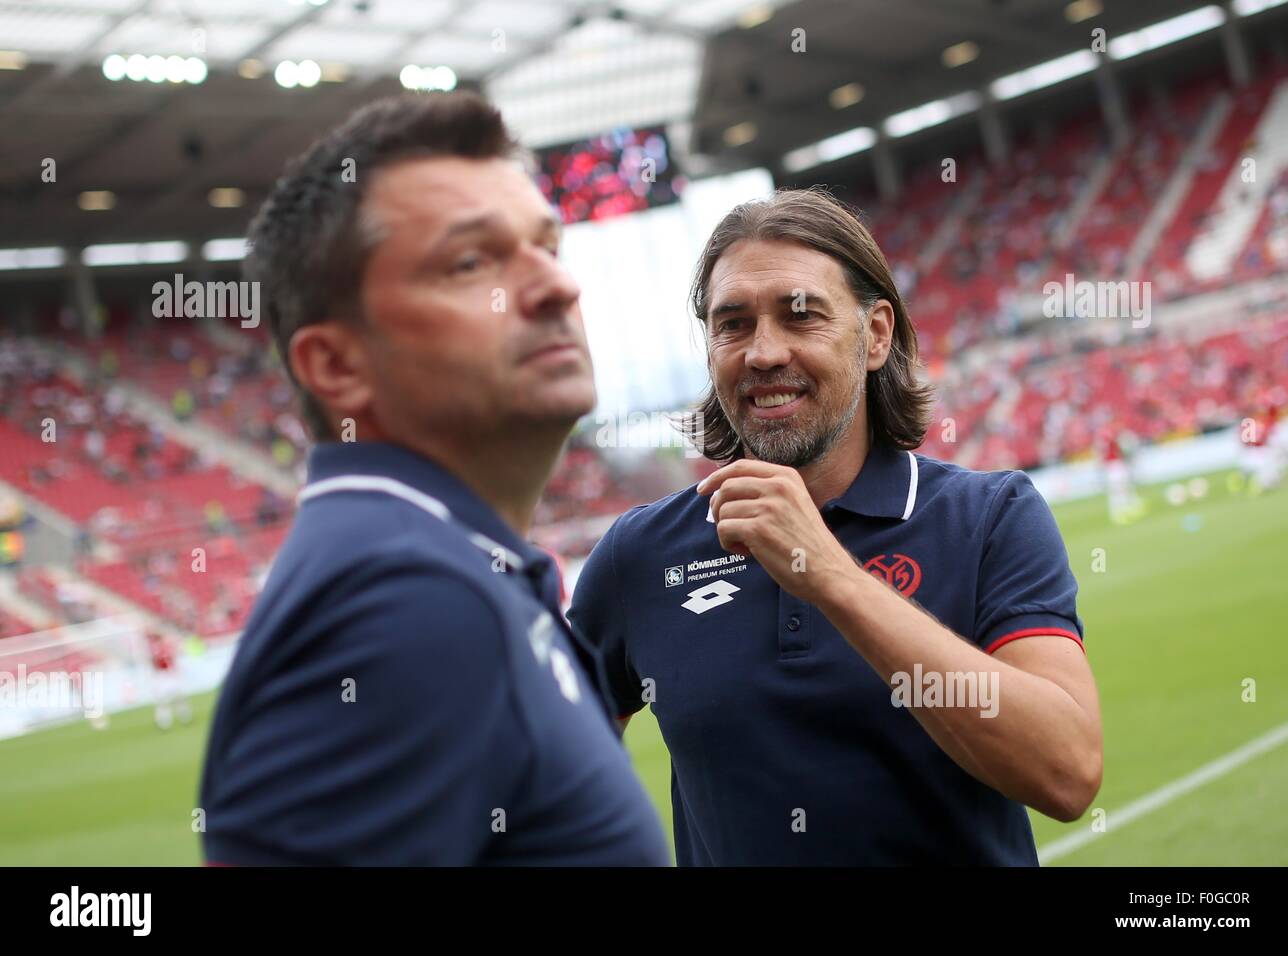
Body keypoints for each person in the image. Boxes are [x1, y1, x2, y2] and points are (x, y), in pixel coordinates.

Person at [199, 93, 667, 866]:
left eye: (547, 245)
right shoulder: (399, 596)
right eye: (471, 262)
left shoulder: (444, 565)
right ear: (337, 366)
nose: (557, 286)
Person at [568, 189, 1102, 865]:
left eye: (801, 316)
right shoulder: (640, 554)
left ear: (876, 335)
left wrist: (830, 577)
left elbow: (1067, 772)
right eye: (732, 324)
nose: (763, 352)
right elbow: (541, 777)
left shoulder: (989, 518)